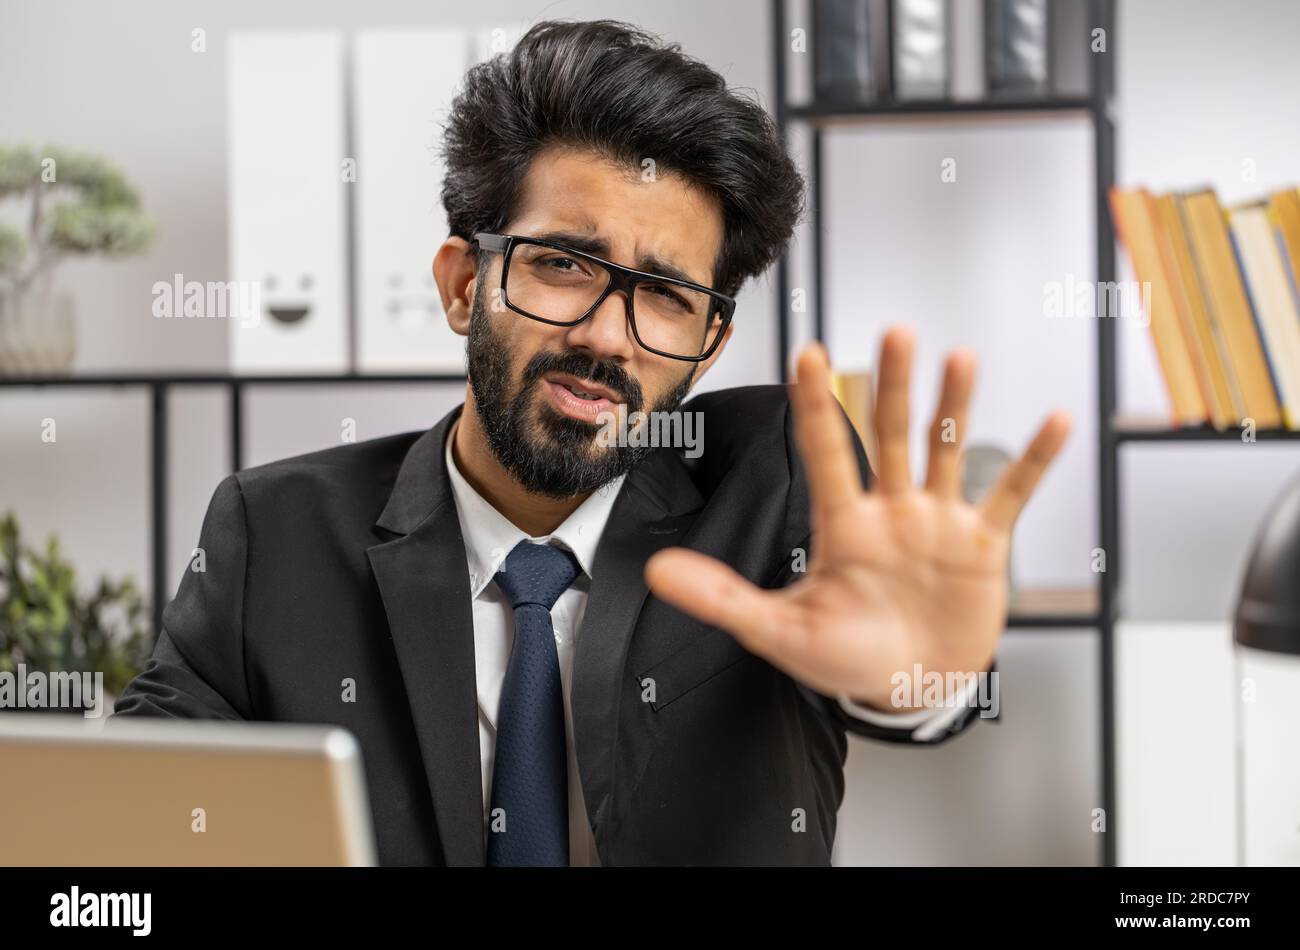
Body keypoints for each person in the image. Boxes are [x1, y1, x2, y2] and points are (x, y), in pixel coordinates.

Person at [115, 19, 1070, 866]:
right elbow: (125, 811)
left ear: (709, 342)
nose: (607, 337)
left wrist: (916, 679)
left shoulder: (776, 481)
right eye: (564, 265)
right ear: (463, 285)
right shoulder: (275, 531)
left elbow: (903, 676)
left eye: (666, 295)